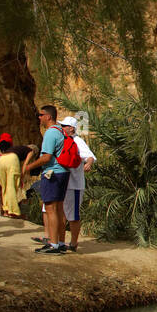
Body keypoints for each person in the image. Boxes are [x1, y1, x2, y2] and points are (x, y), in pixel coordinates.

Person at [23, 104, 70, 253]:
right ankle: (61, 242)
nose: (39, 117)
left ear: (48, 116)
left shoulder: (50, 133)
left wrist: (29, 167)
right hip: (63, 172)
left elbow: (47, 157)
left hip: (52, 173)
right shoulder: (61, 131)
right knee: (59, 208)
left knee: (50, 208)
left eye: (41, 115)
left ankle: (53, 244)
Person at [58, 116, 95, 251]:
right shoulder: (63, 140)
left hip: (74, 185)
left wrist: (89, 163)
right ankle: (60, 241)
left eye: (64, 126)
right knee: (61, 213)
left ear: (71, 128)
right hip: (64, 184)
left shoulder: (78, 141)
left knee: (73, 216)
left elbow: (90, 156)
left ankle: (73, 243)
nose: (62, 128)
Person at [0, 134, 24, 218]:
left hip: (1, 160)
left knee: (4, 187)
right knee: (12, 187)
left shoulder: (0, 146)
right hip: (12, 159)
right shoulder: (13, 149)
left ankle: (6, 210)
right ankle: (13, 211)